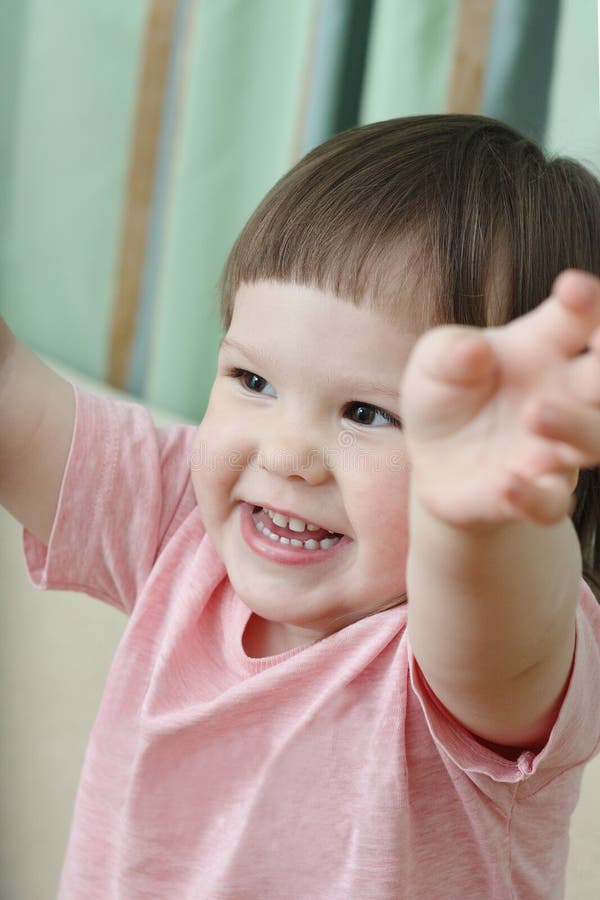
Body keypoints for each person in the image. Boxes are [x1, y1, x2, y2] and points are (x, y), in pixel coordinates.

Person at [1, 114, 600, 899]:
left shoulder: (465, 660)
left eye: (368, 413)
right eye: (253, 382)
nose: (284, 454)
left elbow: (499, 614)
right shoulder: (184, 523)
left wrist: (478, 520)